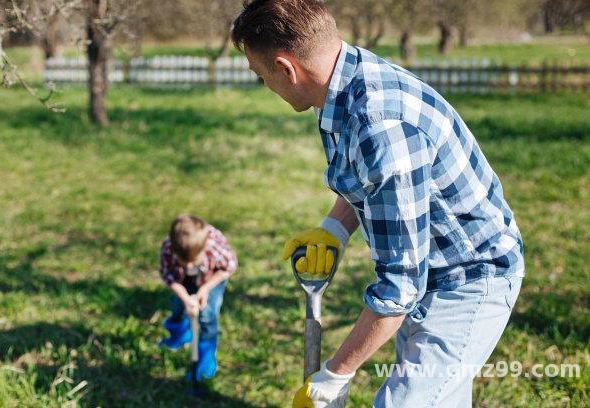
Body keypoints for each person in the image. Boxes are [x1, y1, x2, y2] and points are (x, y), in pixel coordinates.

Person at [231, 1, 525, 407]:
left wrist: (334, 376)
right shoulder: (341, 88)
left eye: (262, 76)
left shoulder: (381, 126)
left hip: (469, 277)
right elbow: (366, 180)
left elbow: (401, 286)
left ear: (286, 69)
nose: (266, 86)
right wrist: (334, 228)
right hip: (427, 270)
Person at [158, 214, 237, 381]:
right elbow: (168, 276)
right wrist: (185, 298)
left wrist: (205, 289)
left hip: (211, 279)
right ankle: (180, 334)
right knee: (177, 305)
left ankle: (206, 359)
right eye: (183, 262)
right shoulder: (168, 248)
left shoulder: (213, 247)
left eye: (193, 261)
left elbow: (228, 267)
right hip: (182, 280)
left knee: (208, 315)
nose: (188, 266)